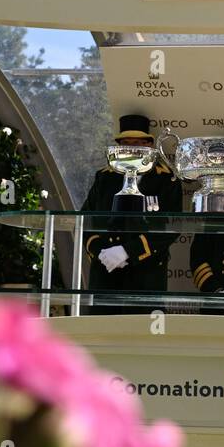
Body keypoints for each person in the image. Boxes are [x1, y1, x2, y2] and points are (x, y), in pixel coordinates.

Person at [81, 114, 181, 312]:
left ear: (149, 145)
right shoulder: (104, 178)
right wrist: (102, 252)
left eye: (137, 143)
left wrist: (128, 252)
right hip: (105, 271)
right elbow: (86, 219)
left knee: (145, 336)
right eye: (125, 143)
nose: (131, 148)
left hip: (146, 274)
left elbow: (171, 227)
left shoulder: (166, 180)